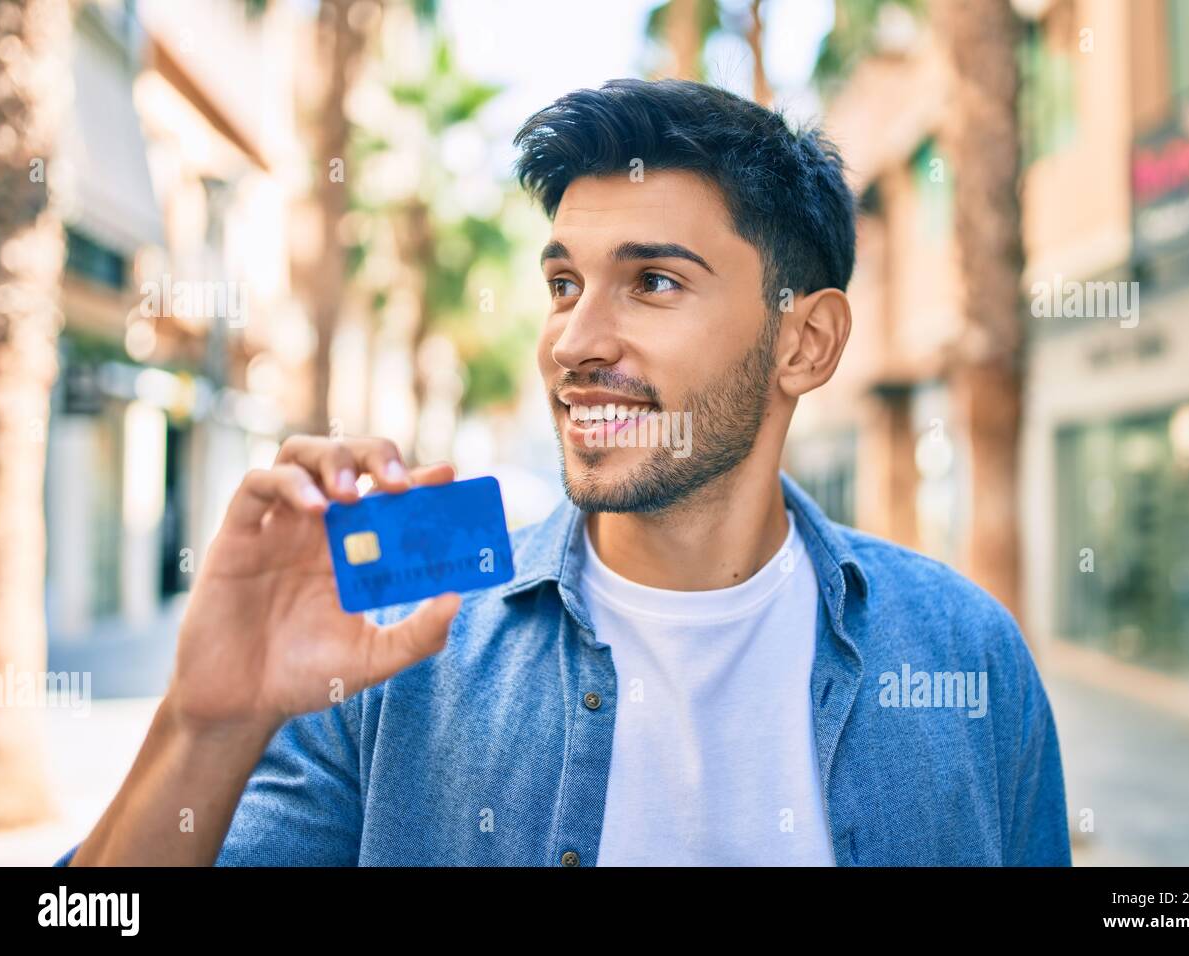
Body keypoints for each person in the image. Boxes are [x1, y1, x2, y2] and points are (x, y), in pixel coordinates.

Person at [56, 78, 1070, 867]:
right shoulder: (396, 649)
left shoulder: (965, 655)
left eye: (654, 281)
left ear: (803, 343)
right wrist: (208, 721)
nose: (573, 340)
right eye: (562, 283)